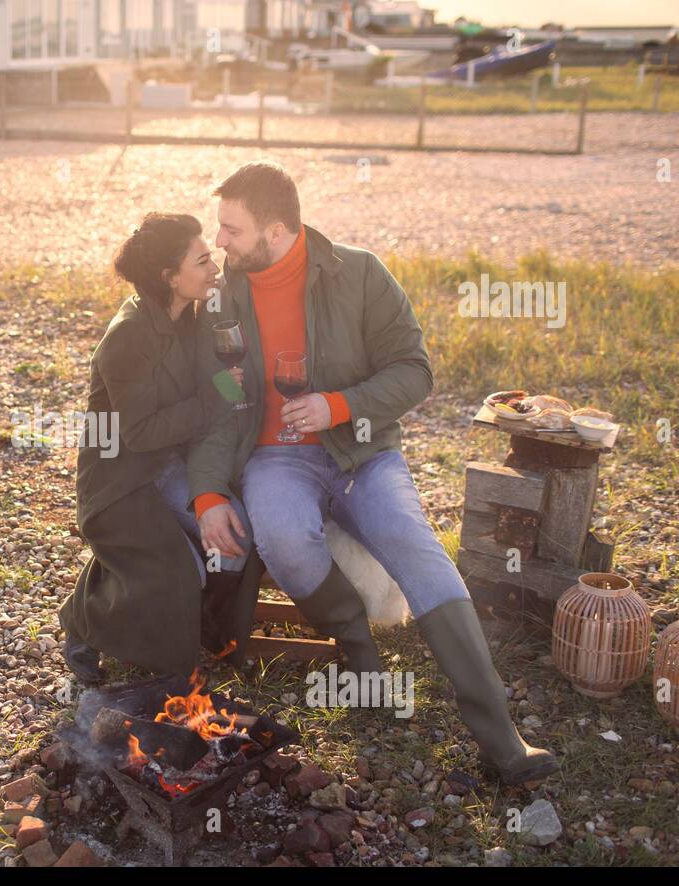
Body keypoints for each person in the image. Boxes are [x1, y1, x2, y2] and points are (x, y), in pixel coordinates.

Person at [186, 162, 557, 785]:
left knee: (419, 552)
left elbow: (416, 370)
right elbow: (220, 399)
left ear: (275, 231)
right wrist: (205, 489)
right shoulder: (228, 293)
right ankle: (360, 654)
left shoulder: (358, 273)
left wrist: (337, 406)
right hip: (276, 457)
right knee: (282, 537)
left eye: (230, 229)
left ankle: (502, 739)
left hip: (362, 452)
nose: (219, 242)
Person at [58, 212, 256, 685]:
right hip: (120, 483)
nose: (215, 268)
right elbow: (142, 433)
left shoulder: (188, 317)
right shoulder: (128, 338)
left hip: (168, 466)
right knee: (183, 576)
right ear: (170, 277)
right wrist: (216, 395)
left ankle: (207, 629)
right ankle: (84, 623)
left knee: (235, 543)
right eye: (203, 260)